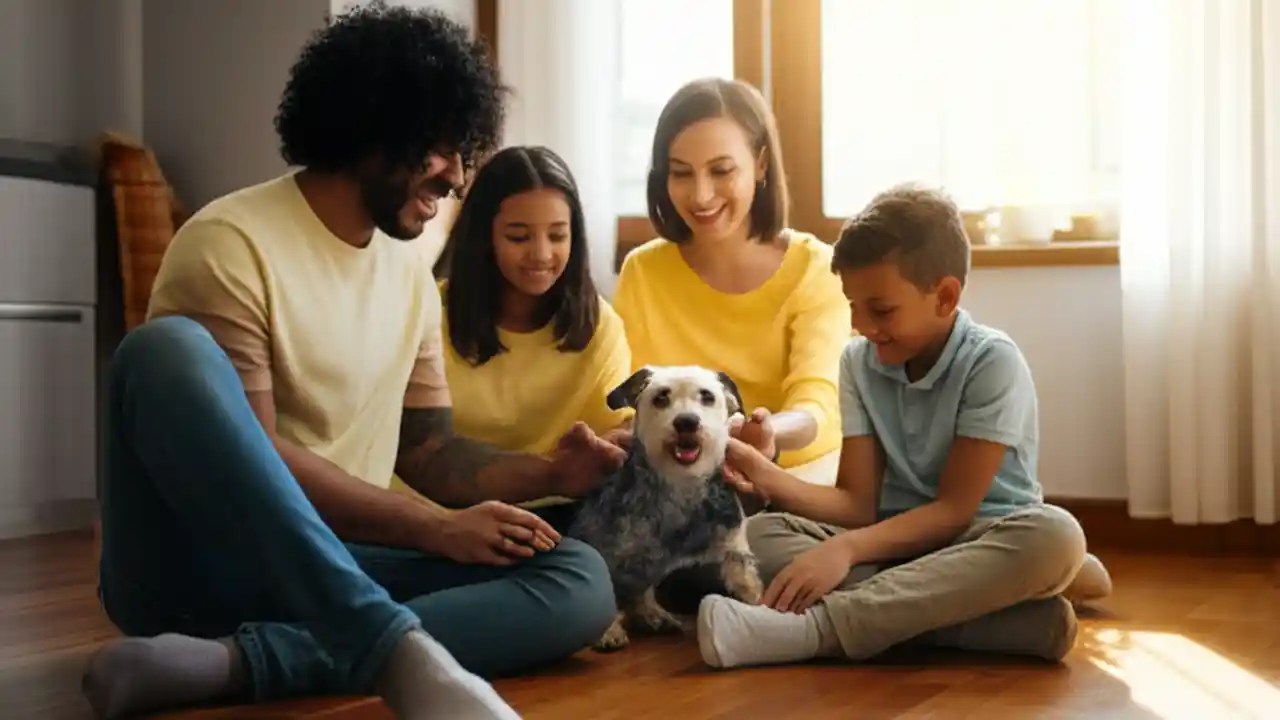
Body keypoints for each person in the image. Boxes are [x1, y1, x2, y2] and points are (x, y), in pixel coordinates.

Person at [82, 6, 620, 719]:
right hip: (202, 567)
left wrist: (549, 475)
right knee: (164, 350)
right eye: (441, 148)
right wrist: (430, 528)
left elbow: (430, 452)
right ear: (375, 129)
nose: (458, 175)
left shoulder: (408, 274)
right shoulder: (228, 241)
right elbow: (257, 462)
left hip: (339, 567)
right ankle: (396, 654)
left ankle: (233, 663)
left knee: (578, 576)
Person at [695, 183, 1113, 669]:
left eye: (881, 309)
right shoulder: (858, 362)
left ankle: (813, 631)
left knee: (1056, 537)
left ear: (945, 296)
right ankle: (1013, 621)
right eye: (852, 305)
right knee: (759, 536)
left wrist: (847, 551)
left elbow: (955, 511)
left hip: (979, 538)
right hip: (894, 546)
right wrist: (766, 477)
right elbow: (856, 503)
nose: (861, 325)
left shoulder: (992, 361)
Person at [611, 77, 850, 487]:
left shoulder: (815, 268)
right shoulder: (643, 272)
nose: (701, 195)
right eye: (681, 173)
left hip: (796, 481)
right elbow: (630, 407)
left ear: (760, 164)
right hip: (678, 486)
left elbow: (818, 407)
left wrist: (766, 433)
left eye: (721, 170)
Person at [393, 145, 632, 524]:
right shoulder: (428, 311)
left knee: (589, 571)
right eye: (519, 237)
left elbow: (610, 440)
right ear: (486, 237)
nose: (541, 253)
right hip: (433, 518)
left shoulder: (601, 328)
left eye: (557, 236)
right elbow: (415, 453)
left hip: (550, 516)